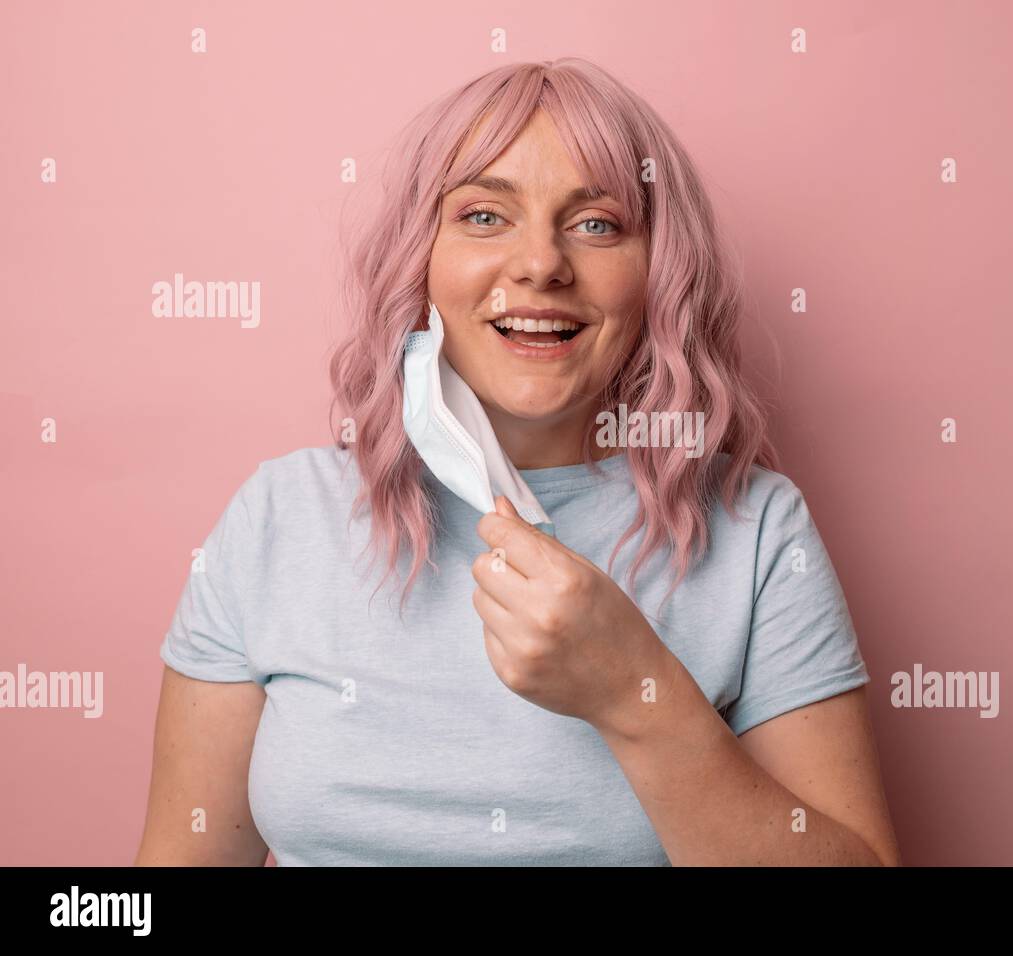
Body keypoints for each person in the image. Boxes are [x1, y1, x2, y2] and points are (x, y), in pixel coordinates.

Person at [135, 57, 901, 866]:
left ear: (659, 277)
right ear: (419, 260)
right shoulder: (279, 518)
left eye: (597, 223)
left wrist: (635, 693)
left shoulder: (755, 534)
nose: (541, 264)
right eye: (484, 216)